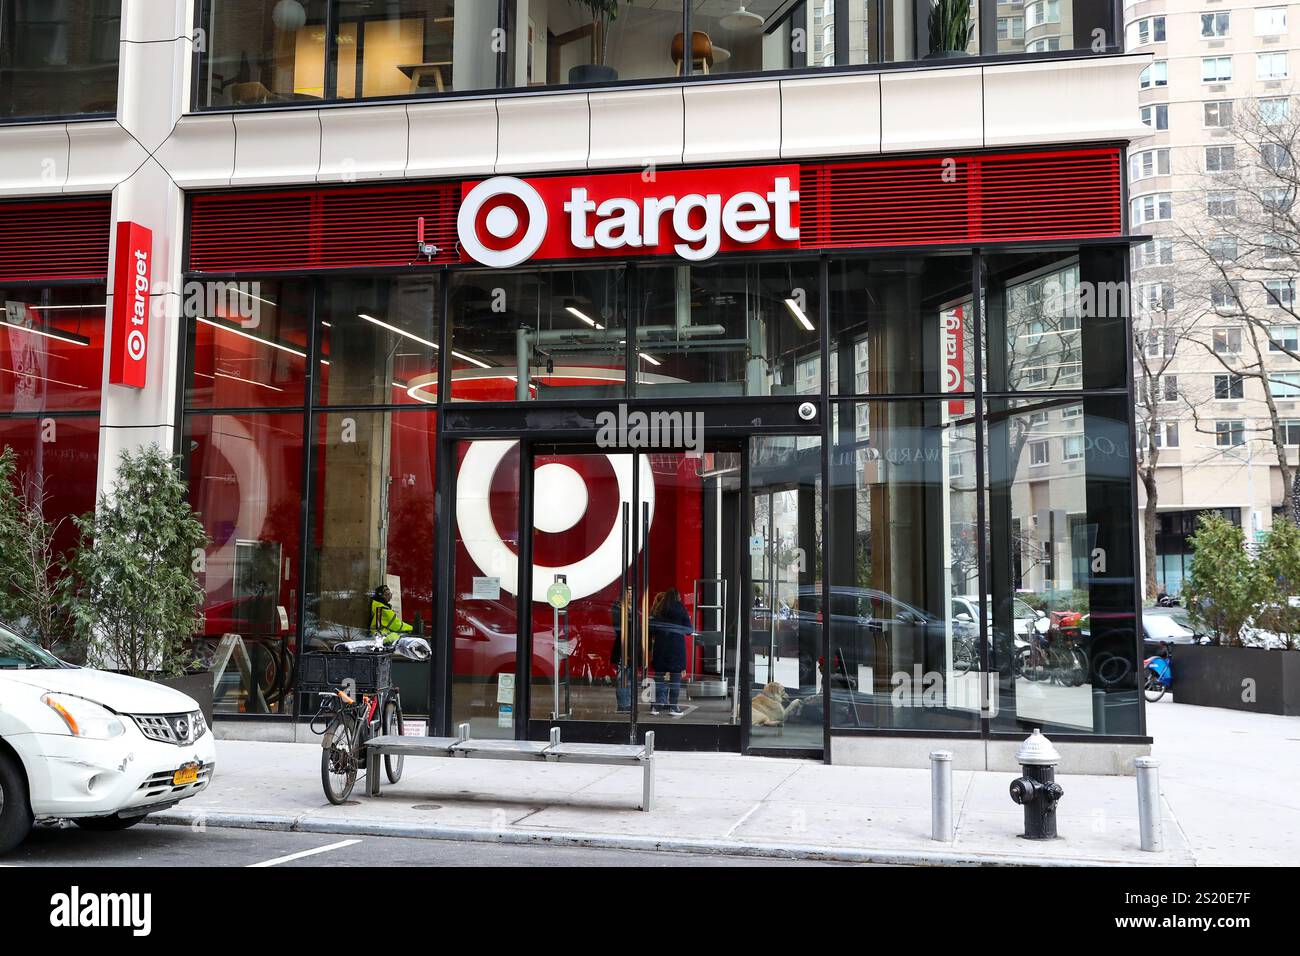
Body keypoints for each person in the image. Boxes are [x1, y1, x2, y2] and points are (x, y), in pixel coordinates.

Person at [649, 588, 691, 717]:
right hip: (676, 647)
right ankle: (673, 707)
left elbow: (652, 629)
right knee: (675, 679)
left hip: (661, 647)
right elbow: (689, 629)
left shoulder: (659, 609)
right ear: (677, 597)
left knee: (659, 678)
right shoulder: (681, 609)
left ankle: (655, 707)